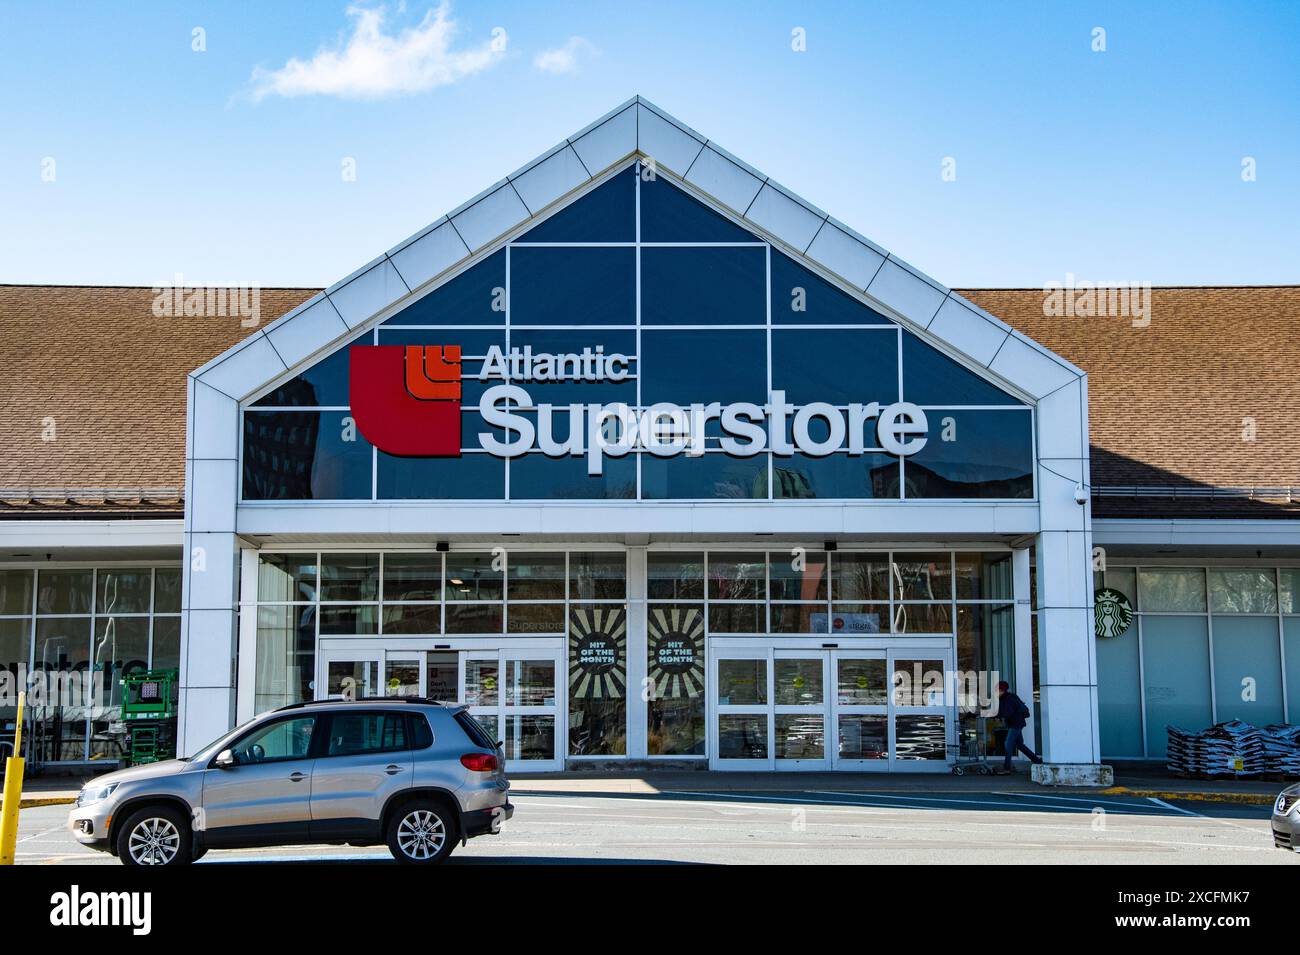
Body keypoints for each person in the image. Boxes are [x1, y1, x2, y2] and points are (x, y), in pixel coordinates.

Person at [995, 680, 1043, 771]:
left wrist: (994, 715)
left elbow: (1007, 712)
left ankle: (1007, 767)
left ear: (1002, 690)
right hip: (1017, 723)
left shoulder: (1008, 699)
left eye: (997, 690)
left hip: (1015, 724)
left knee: (1008, 744)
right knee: (1020, 745)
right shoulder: (1009, 697)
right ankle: (1036, 760)